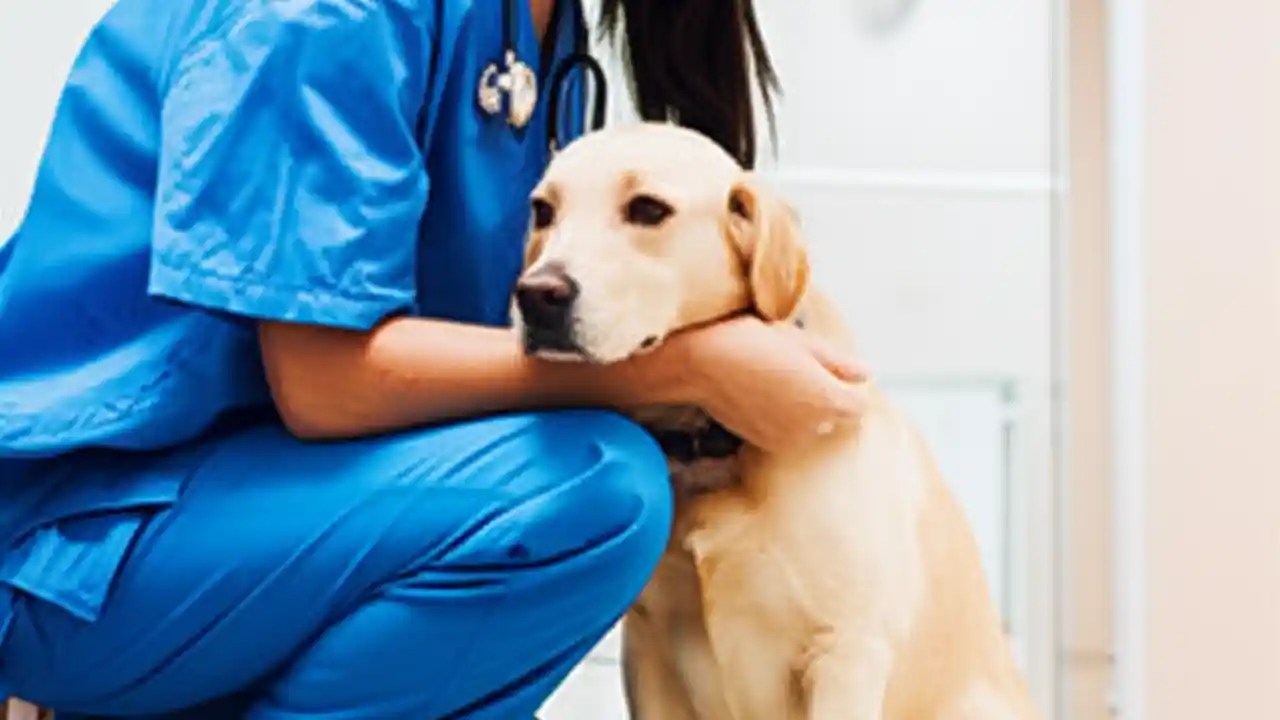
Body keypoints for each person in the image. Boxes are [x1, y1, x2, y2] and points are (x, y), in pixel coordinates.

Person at [0, 0, 864, 717]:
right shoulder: (332, 12)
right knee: (591, 489)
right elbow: (326, 385)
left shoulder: (539, 34)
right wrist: (690, 368)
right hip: (77, 539)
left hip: (251, 515)